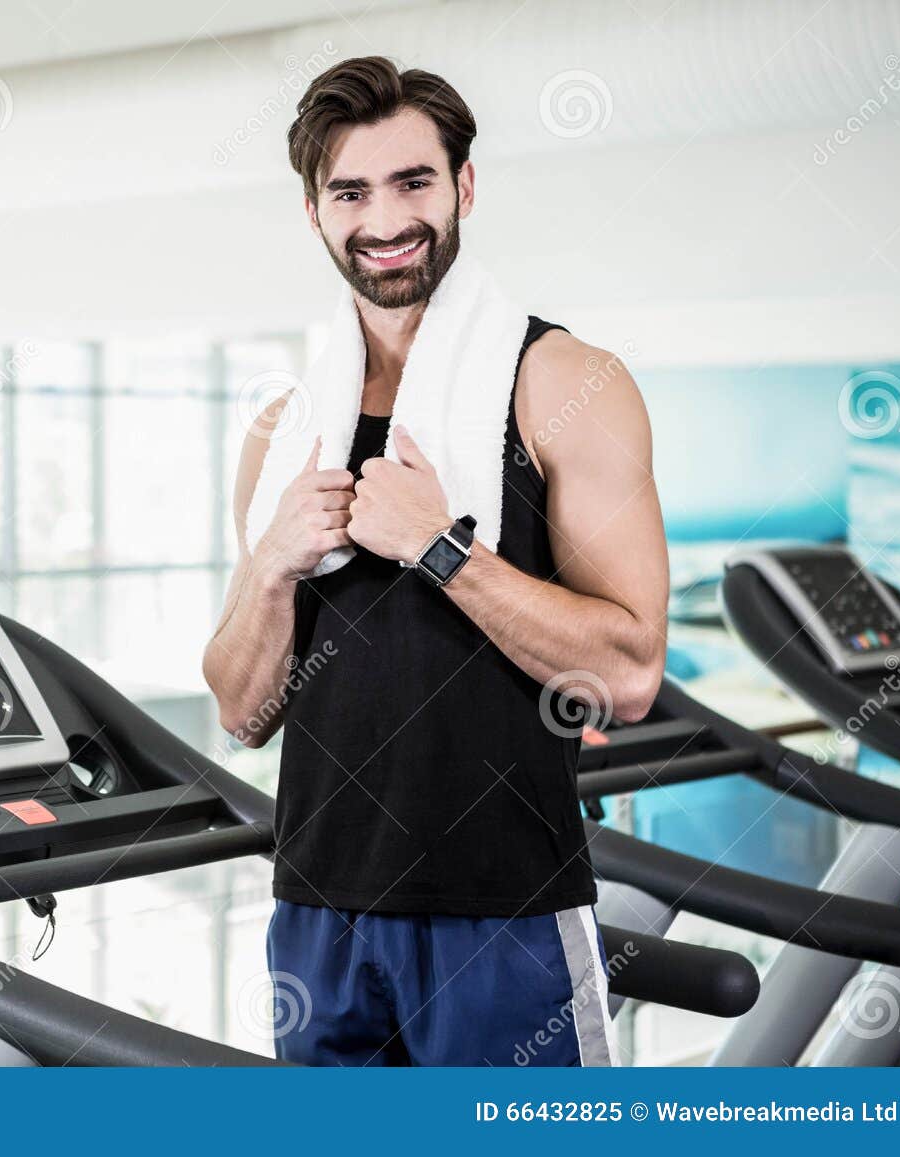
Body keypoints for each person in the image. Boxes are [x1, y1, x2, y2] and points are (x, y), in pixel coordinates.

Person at [202, 57, 668, 1066]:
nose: (384, 218)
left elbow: (627, 673)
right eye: (350, 191)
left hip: (503, 913)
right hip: (316, 913)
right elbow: (241, 713)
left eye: (412, 181)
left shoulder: (564, 383)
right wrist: (273, 562)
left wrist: (440, 547)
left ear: (463, 185)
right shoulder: (285, 434)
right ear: (314, 212)